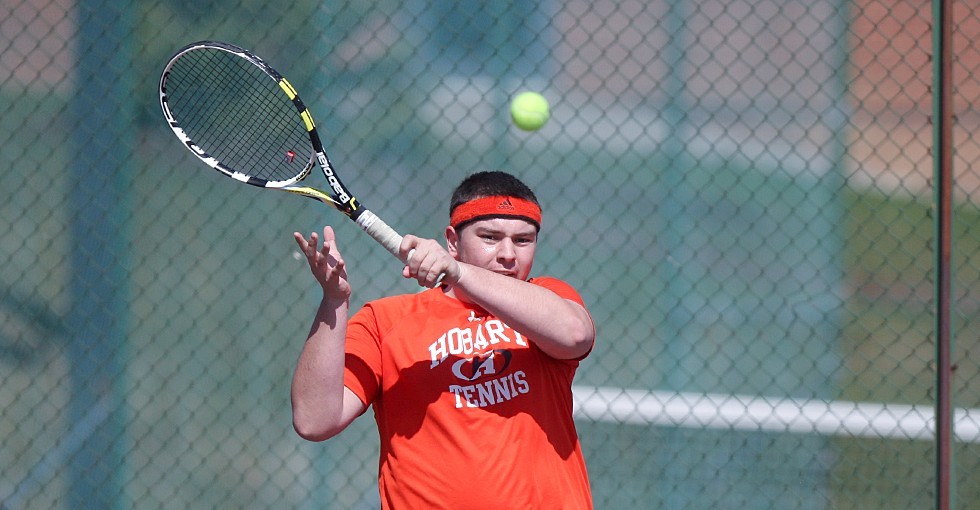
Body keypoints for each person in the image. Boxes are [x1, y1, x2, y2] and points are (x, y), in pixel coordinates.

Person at [290, 170, 595, 509]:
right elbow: (314, 419)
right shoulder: (385, 320)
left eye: (523, 240)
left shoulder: (547, 299)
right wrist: (333, 302)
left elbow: (574, 335)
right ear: (453, 241)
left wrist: (459, 272)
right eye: (490, 237)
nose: (509, 254)